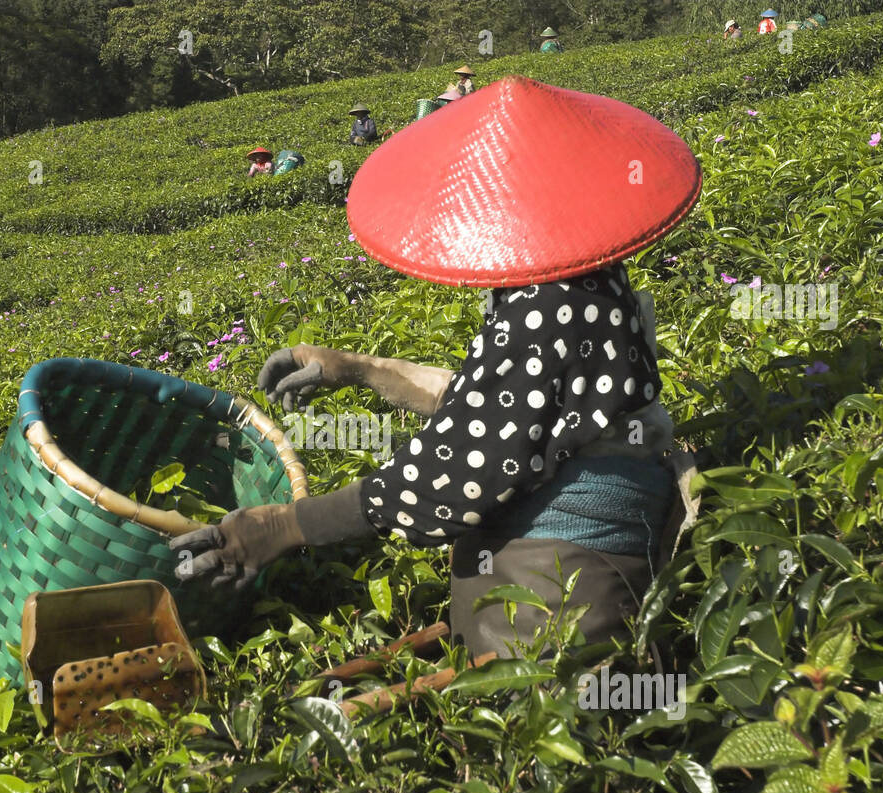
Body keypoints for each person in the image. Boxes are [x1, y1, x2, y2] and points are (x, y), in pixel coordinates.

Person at [172, 77, 702, 659]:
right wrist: (355, 367)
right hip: (572, 561)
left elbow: (463, 469)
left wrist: (284, 527)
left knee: (515, 719)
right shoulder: (584, 280)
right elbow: (499, 400)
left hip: (566, 585)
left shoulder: (550, 303)